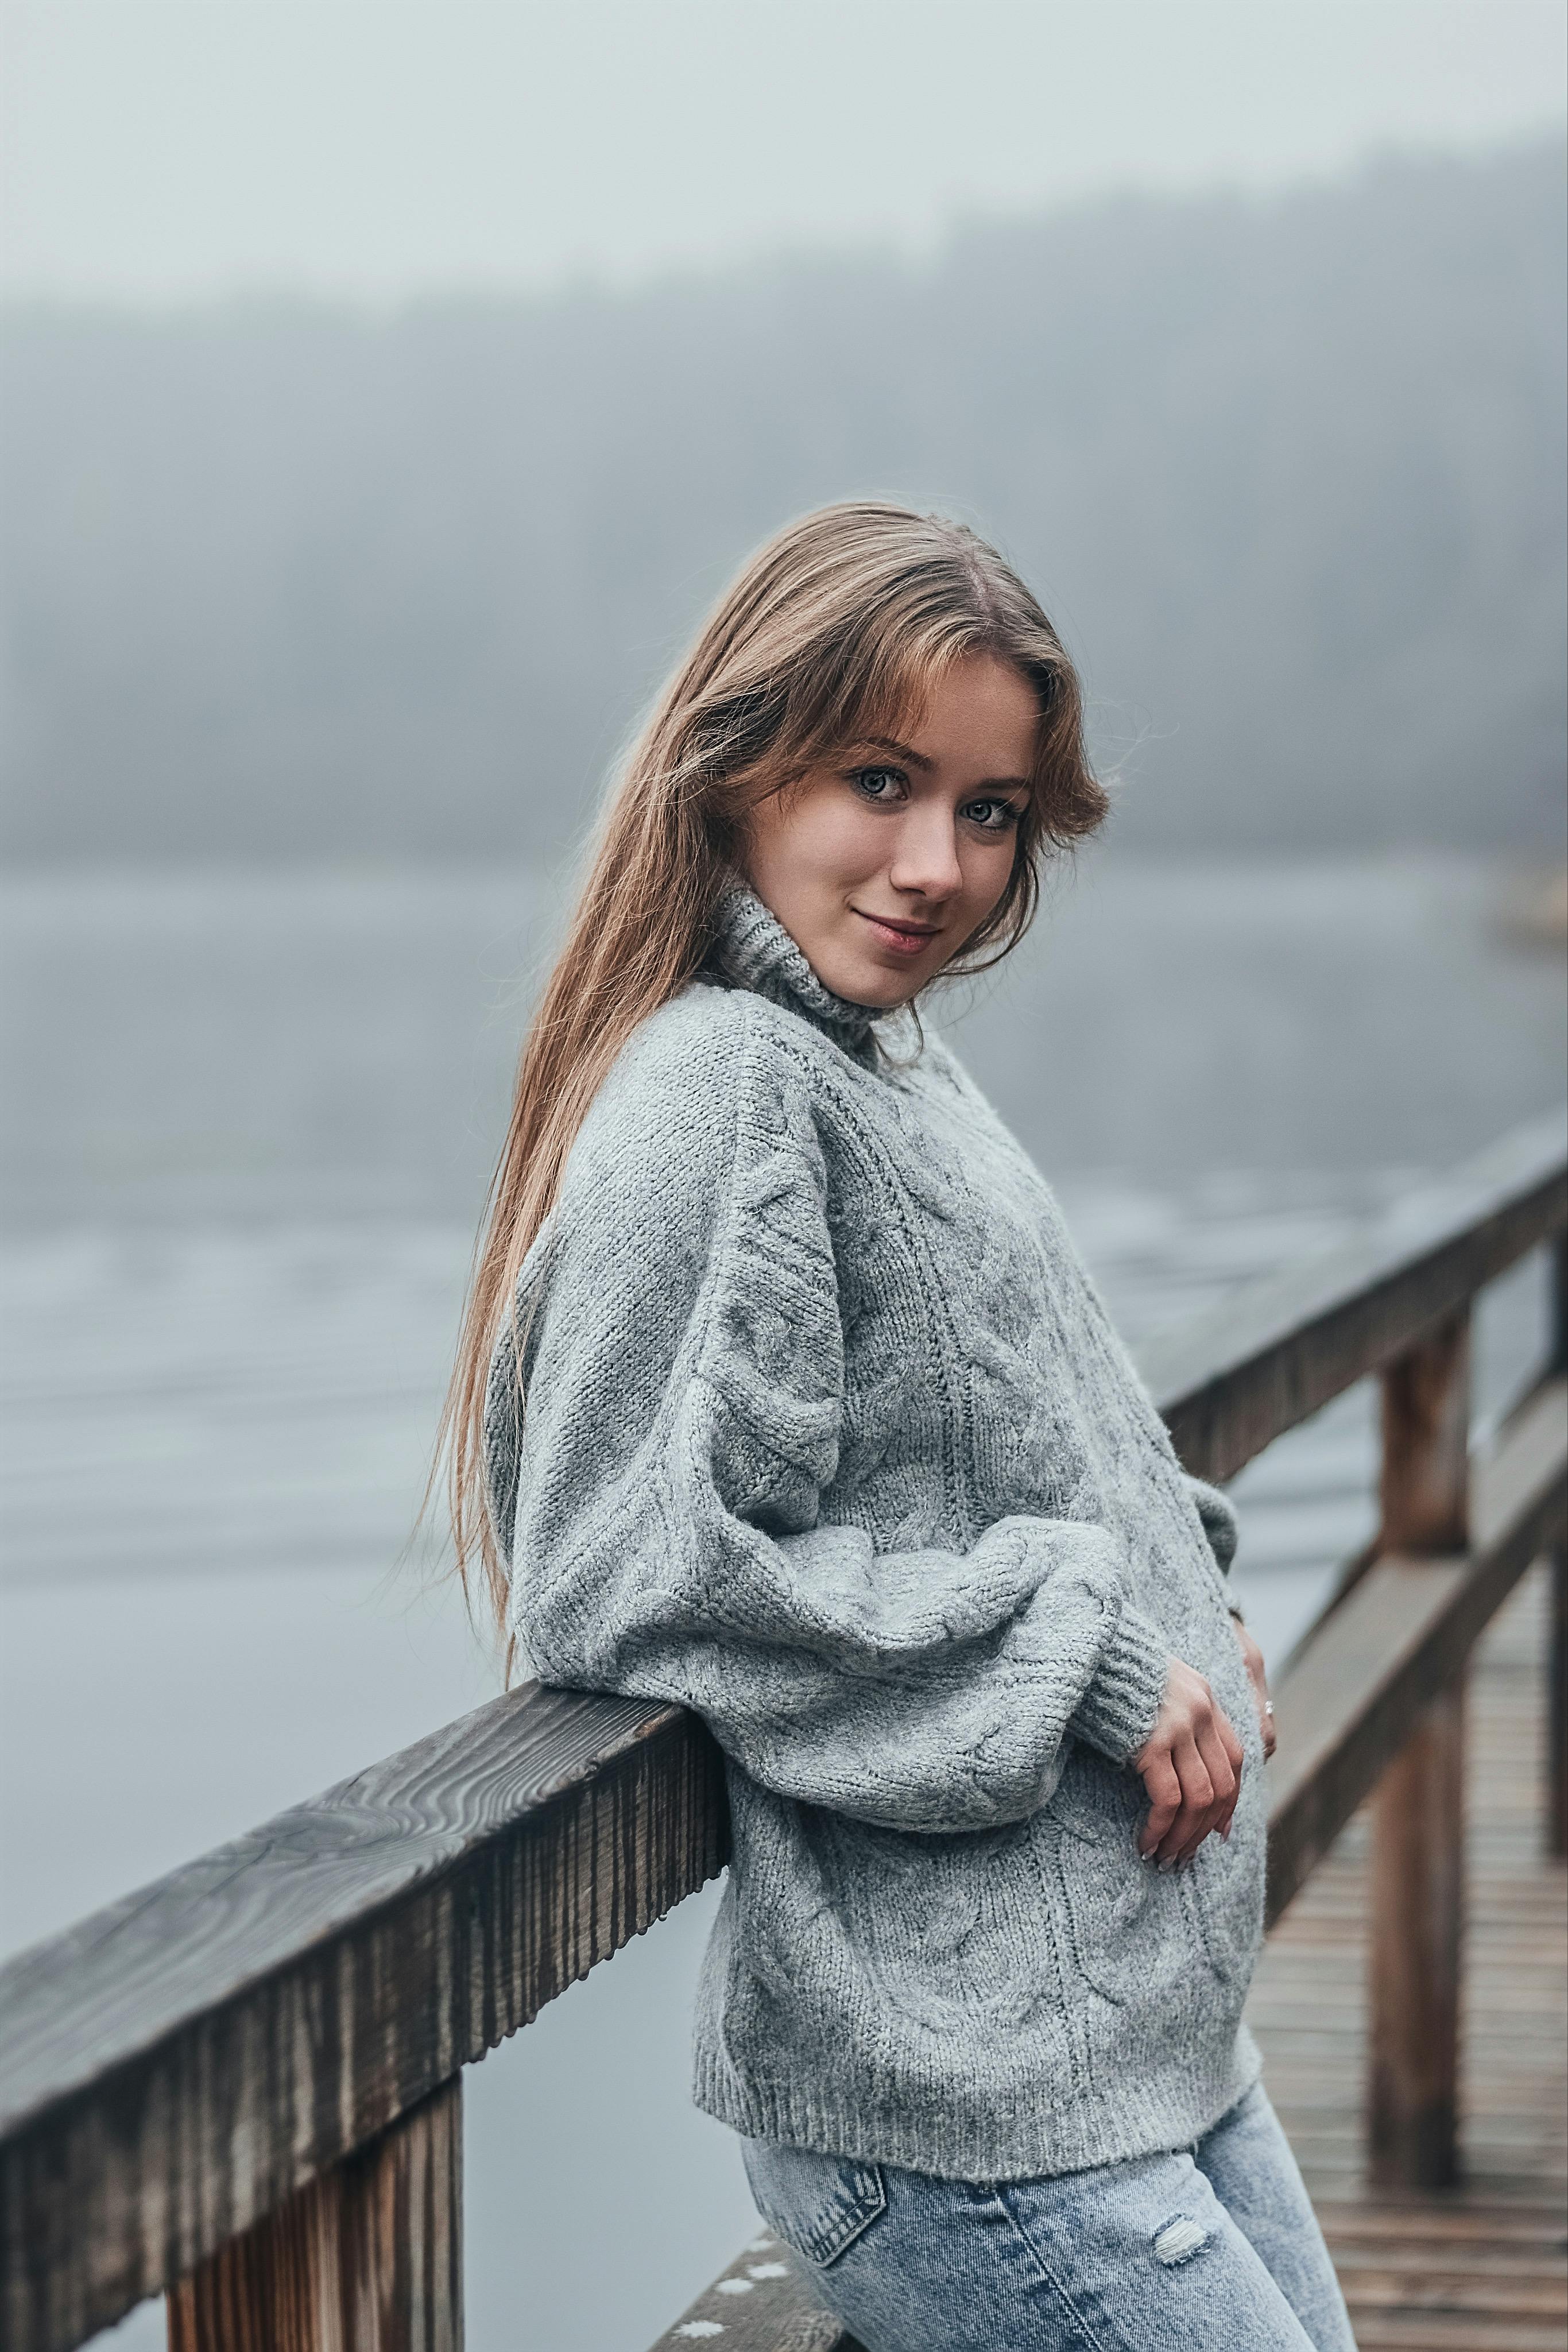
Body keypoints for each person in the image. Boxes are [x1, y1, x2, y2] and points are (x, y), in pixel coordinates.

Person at [443, 502, 1357, 2350]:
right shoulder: (722, 1088)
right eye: (879, 779)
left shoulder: (884, 1054)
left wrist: (1179, 1586)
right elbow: (627, 1579)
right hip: (973, 2116)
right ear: (738, 762)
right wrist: (1089, 1651)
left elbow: (998, 1426)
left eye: (991, 809)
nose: (934, 863)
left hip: (1116, 2038)